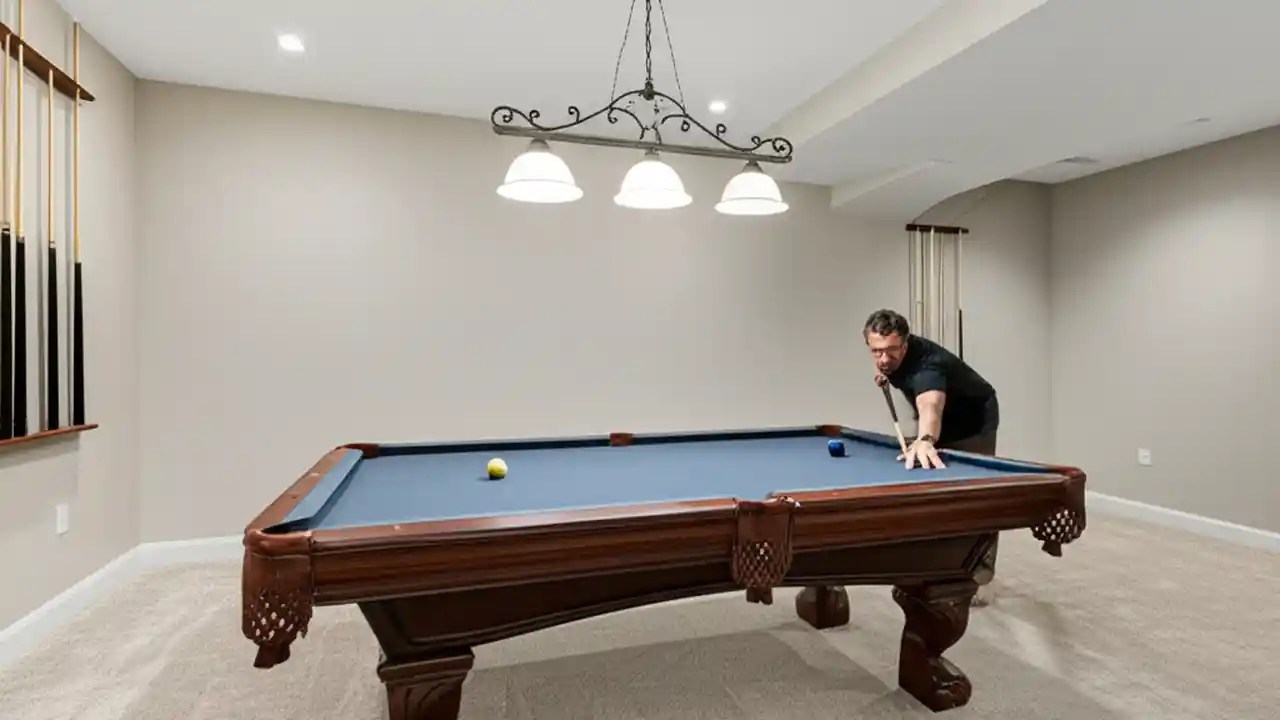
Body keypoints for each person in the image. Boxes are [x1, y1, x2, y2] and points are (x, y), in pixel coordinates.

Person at [862, 308, 1001, 605]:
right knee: (936, 490)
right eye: (876, 351)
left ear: (906, 343)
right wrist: (890, 374)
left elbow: (931, 406)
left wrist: (925, 439)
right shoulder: (893, 361)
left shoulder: (928, 367)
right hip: (941, 421)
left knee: (979, 498)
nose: (883, 359)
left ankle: (982, 576)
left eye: (891, 351)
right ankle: (940, 562)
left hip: (973, 420)